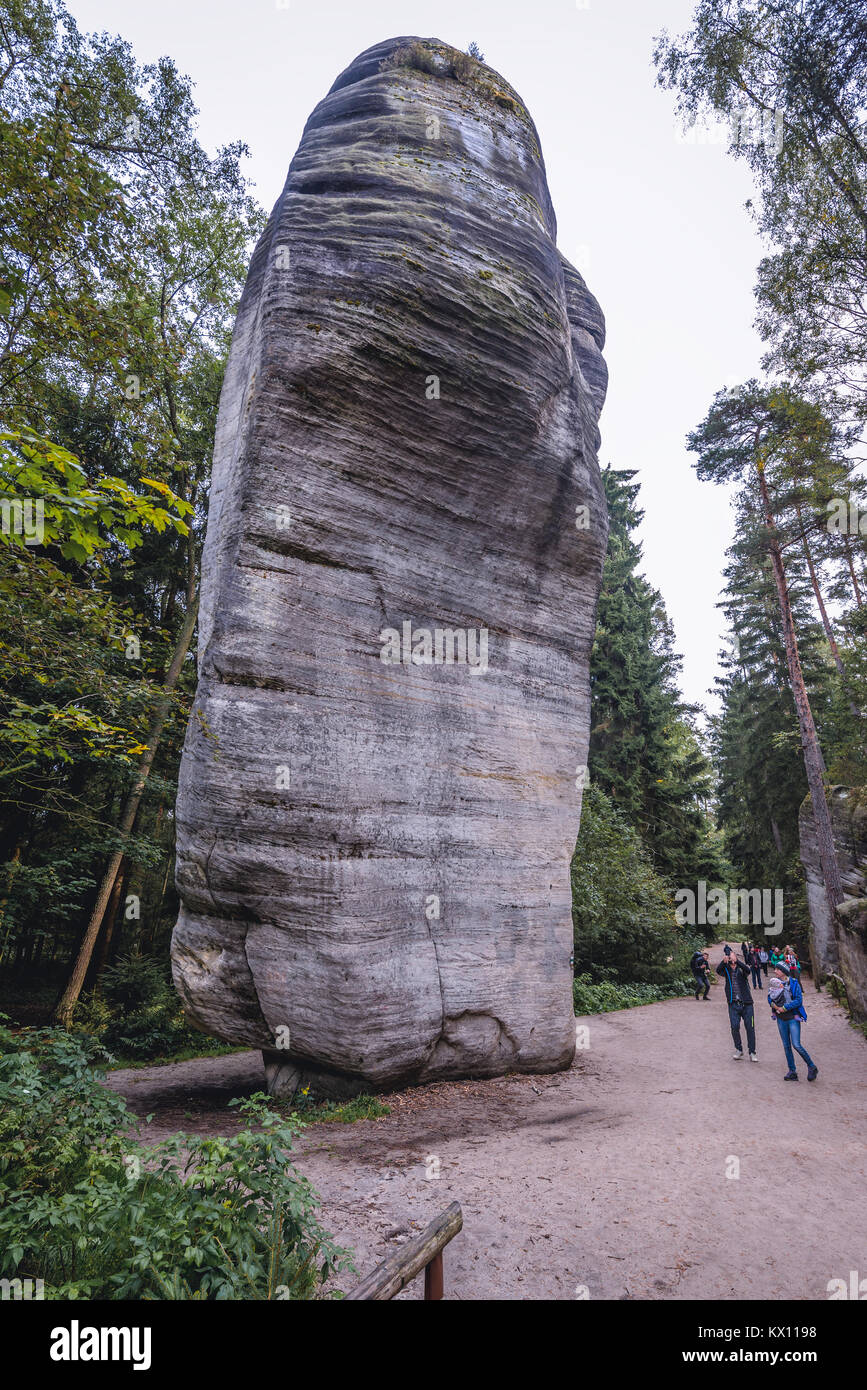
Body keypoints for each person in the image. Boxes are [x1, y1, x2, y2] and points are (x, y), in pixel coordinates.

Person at [769, 963, 817, 1081]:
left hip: (792, 1018)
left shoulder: (794, 983)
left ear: (783, 971)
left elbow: (798, 1000)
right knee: (786, 1046)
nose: (775, 971)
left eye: (777, 969)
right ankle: (792, 1071)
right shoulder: (775, 983)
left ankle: (811, 1066)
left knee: (796, 1044)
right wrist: (775, 1006)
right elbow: (769, 997)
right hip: (781, 1019)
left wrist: (784, 1008)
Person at [717, 945, 758, 1062]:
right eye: (729, 956)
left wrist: (738, 961)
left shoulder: (741, 968)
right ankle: (739, 1049)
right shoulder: (726, 969)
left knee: (750, 1028)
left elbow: (748, 970)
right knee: (734, 1027)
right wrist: (723, 961)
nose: (731, 957)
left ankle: (752, 1052)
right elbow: (718, 971)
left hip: (747, 1004)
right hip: (733, 1003)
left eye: (732, 955)